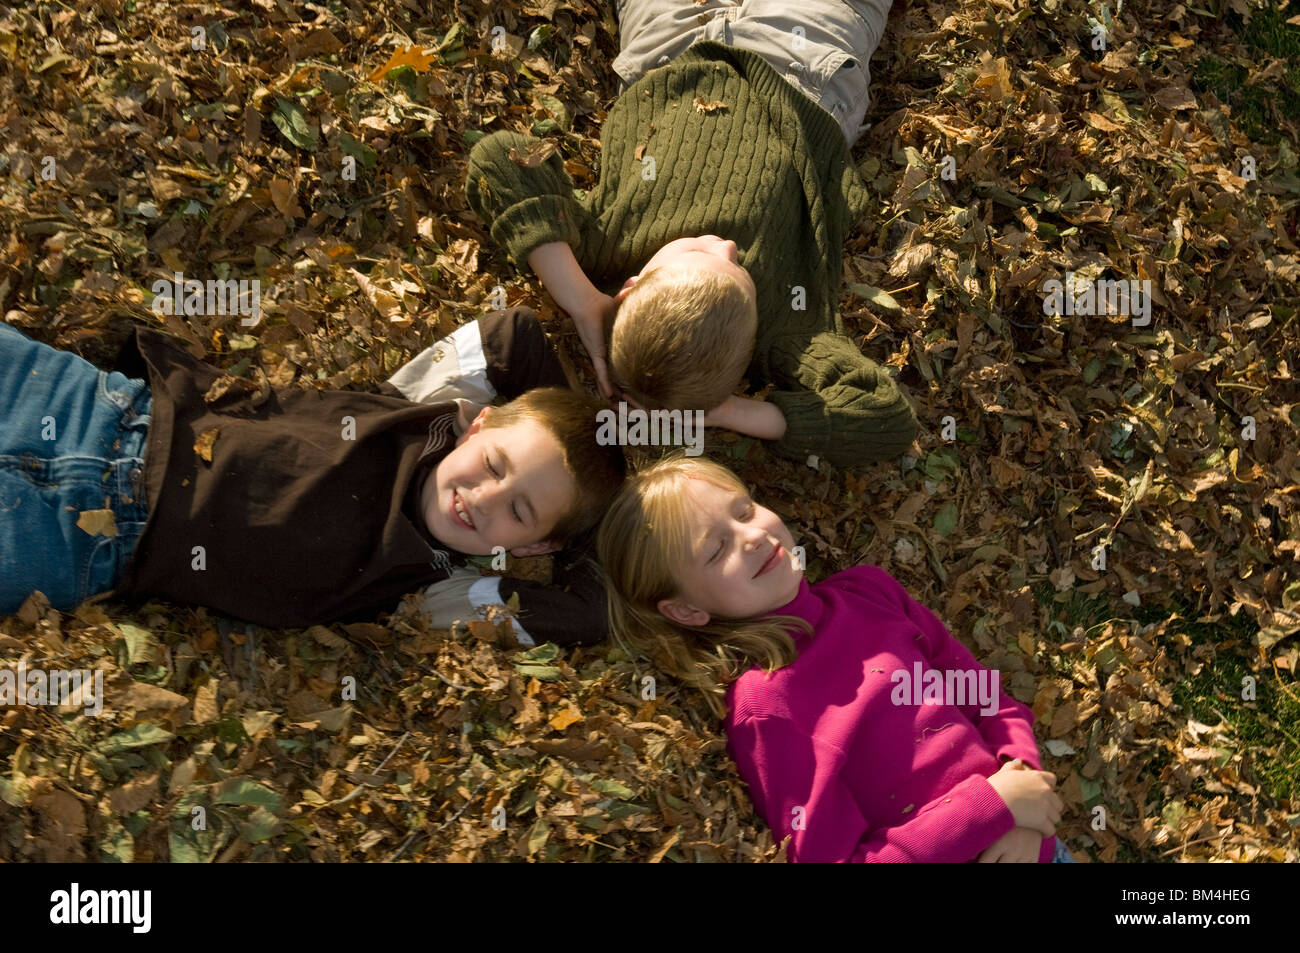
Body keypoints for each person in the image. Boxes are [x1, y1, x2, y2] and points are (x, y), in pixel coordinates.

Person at [465, 0, 918, 469]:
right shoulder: (786, 328)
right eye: (739, 267)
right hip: (801, 69)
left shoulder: (603, 252)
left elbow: (500, 158)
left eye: (701, 249)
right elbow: (884, 420)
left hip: (669, 51)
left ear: (630, 288)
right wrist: (726, 411)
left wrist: (579, 298)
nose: (727, 245)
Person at [0, 309, 626, 646]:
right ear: (480, 424)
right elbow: (513, 336)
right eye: (494, 465)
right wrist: (592, 441)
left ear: (536, 545)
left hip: (81, 546)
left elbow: (585, 616)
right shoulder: (414, 413)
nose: (482, 499)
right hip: (98, 408)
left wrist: (596, 522)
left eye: (520, 513)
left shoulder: (433, 591)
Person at [596, 453, 1074, 862]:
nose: (753, 537)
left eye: (744, 511)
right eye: (716, 548)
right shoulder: (766, 705)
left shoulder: (870, 591)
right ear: (686, 610)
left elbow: (987, 697)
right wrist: (992, 807)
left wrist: (1024, 784)